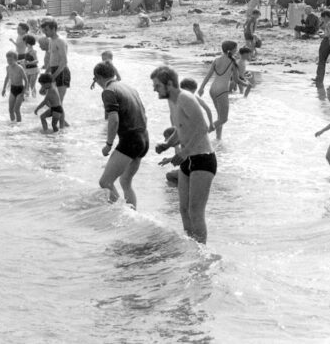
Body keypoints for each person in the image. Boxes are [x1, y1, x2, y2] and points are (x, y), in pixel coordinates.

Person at [152, 65, 216, 243]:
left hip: (202, 159)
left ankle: (202, 255)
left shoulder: (185, 98)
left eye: (157, 85)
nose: (154, 89)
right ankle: (191, 248)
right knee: (183, 209)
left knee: (195, 212)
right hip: (188, 161)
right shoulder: (172, 102)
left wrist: (185, 152)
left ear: (170, 83)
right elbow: (182, 130)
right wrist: (167, 144)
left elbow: (202, 128)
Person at [92, 62, 148, 209]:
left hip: (130, 140)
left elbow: (114, 119)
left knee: (105, 182)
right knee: (125, 182)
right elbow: (143, 113)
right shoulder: (129, 87)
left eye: (95, 79)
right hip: (144, 138)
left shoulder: (109, 91)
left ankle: (121, 215)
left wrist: (108, 144)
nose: (96, 83)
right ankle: (133, 217)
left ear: (98, 77)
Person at [198, 40, 247, 139]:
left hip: (212, 90)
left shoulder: (216, 60)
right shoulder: (232, 62)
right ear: (231, 50)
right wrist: (247, 84)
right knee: (223, 119)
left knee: (219, 118)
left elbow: (208, 75)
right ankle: (200, 137)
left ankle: (218, 139)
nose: (237, 50)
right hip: (222, 90)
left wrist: (201, 88)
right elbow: (237, 80)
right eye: (235, 49)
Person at [42, 20, 70, 126]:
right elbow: (51, 60)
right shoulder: (51, 41)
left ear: (53, 29)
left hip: (62, 72)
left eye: (46, 30)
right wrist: (46, 73)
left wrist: (54, 76)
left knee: (58, 102)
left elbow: (64, 61)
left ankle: (62, 127)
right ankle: (64, 124)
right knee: (51, 102)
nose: (45, 32)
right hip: (54, 70)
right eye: (44, 30)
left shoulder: (60, 41)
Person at [1, 50, 27, 122]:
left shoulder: (19, 68)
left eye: (11, 60)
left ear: (16, 59)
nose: (9, 61)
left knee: (16, 109)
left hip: (20, 90)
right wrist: (4, 89)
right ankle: (13, 124)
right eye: (8, 59)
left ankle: (19, 126)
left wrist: (24, 91)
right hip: (13, 89)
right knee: (10, 109)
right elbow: (7, 78)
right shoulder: (8, 68)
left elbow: (26, 80)